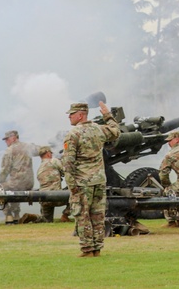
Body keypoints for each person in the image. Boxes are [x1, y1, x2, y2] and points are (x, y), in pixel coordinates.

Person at [63, 100, 120, 258]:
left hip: (82, 183)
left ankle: (87, 250)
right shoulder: (98, 129)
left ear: (80, 115)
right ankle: (97, 249)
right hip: (99, 181)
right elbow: (116, 131)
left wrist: (71, 185)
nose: (69, 117)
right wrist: (107, 115)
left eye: (72, 114)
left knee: (82, 215)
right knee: (97, 215)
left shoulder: (73, 134)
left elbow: (68, 163)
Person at [0, 130, 36, 224]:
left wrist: (0, 181)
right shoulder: (28, 146)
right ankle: (17, 215)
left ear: (13, 138)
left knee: (1, 189)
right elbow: (41, 150)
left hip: (17, 183)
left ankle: (8, 215)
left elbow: (5, 170)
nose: (6, 142)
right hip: (29, 183)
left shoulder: (9, 150)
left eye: (7, 139)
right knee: (14, 190)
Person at [36, 145, 68, 223]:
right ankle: (65, 215)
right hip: (55, 197)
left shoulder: (40, 168)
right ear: (48, 154)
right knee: (77, 194)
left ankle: (32, 217)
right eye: (51, 153)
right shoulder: (53, 161)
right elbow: (66, 169)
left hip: (44, 199)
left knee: (47, 220)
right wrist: (65, 157)